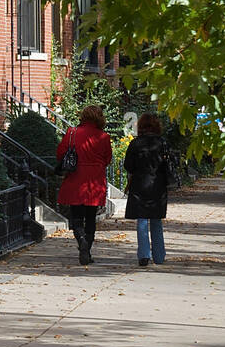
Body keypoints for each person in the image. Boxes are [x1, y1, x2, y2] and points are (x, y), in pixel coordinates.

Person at [56, 104, 112, 265]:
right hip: (94, 180)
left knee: (77, 217)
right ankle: (86, 249)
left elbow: (60, 153)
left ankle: (82, 242)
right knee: (91, 217)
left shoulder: (72, 133)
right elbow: (107, 159)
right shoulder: (104, 137)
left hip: (76, 178)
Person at [123, 113, 172, 266]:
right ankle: (159, 255)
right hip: (158, 184)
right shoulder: (162, 143)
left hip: (140, 184)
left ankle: (144, 255)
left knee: (142, 220)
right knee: (156, 220)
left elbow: (128, 166)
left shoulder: (136, 144)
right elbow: (169, 165)